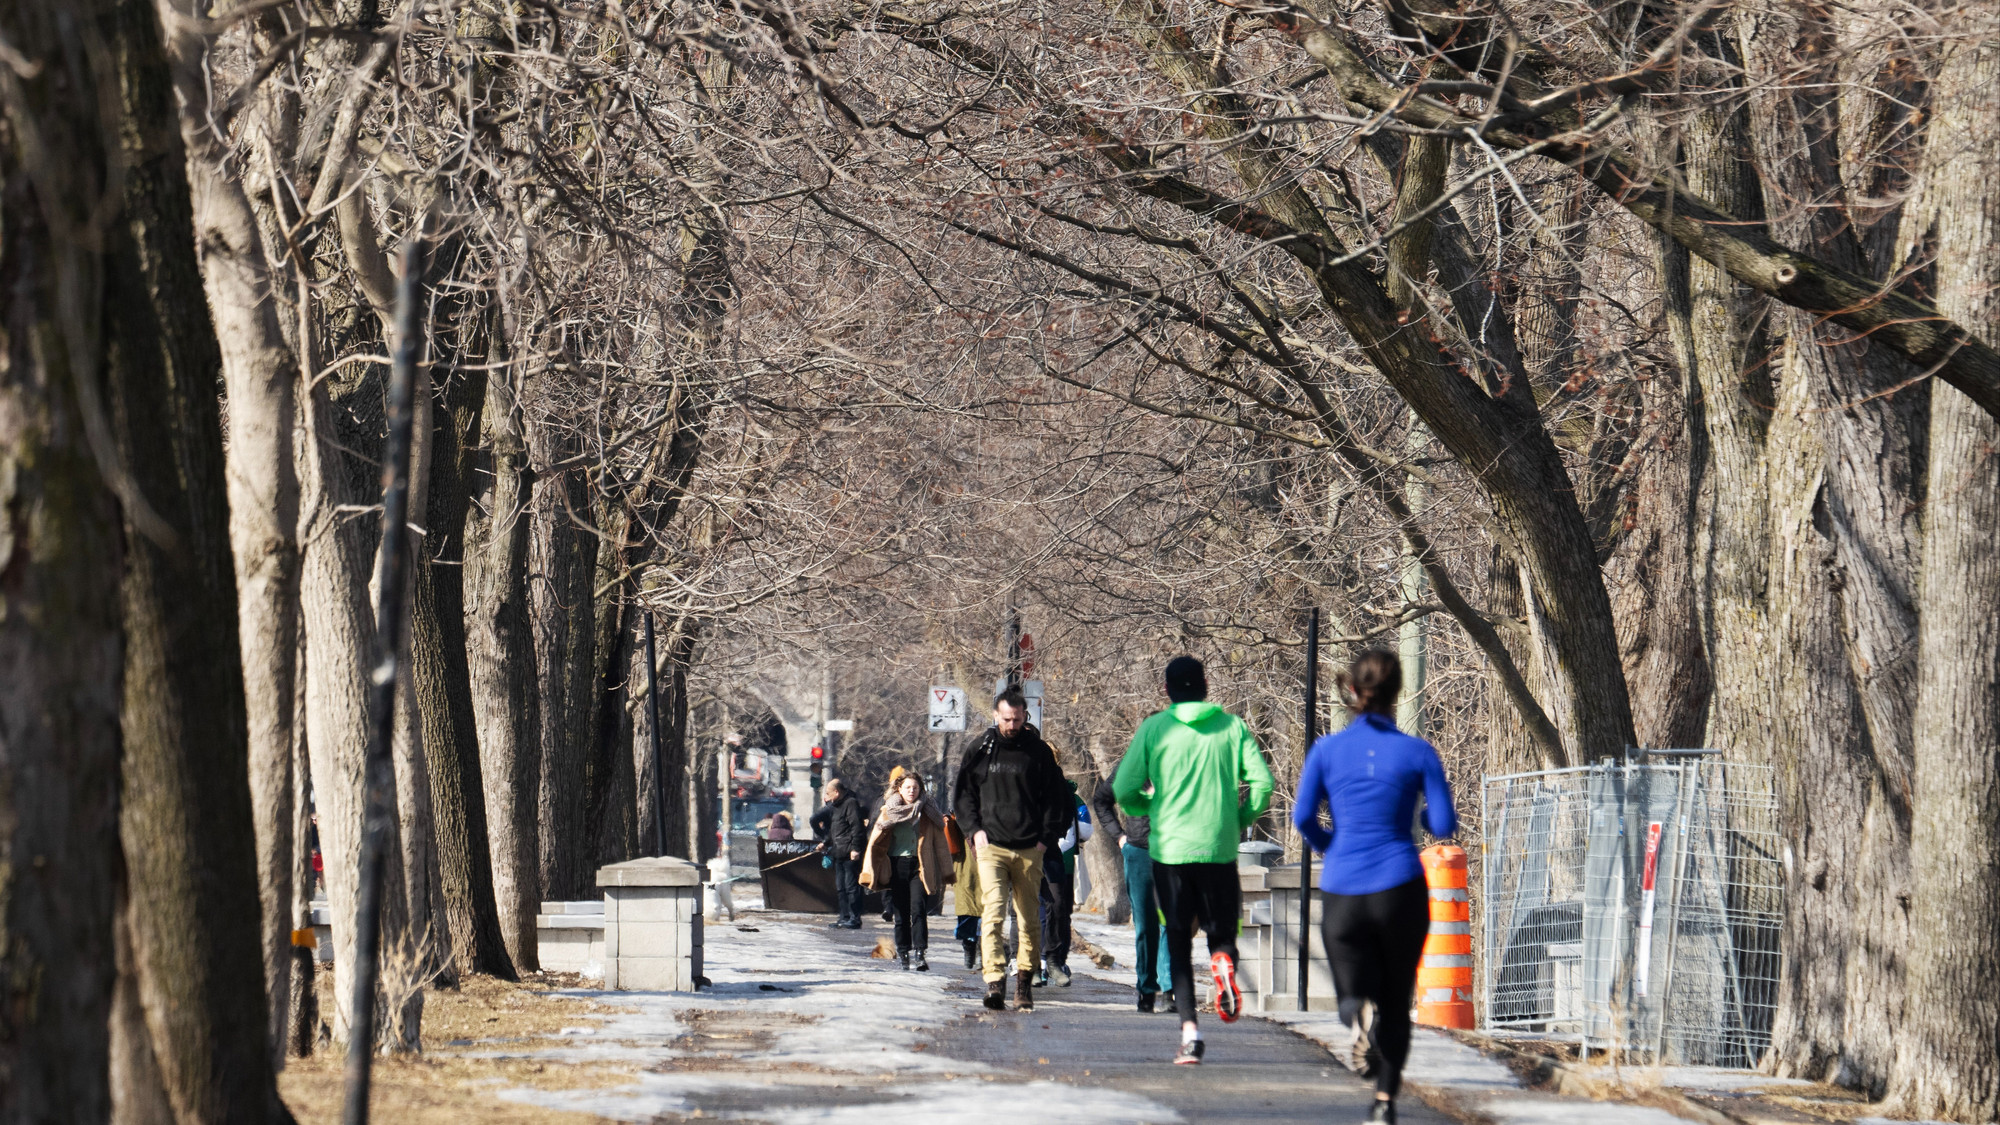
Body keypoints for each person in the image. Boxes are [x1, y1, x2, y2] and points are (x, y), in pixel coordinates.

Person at [1293, 650, 1457, 1124]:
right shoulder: (1418, 751)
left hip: (1344, 890)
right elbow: (1443, 824)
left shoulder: (1326, 750)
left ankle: (1354, 1007)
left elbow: (1302, 817)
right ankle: (1384, 1104)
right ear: (1397, 692)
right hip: (1399, 887)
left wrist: (1333, 847)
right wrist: (1424, 815)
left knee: (1354, 992)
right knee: (1397, 1002)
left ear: (1353, 693)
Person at [1113, 655, 1273, 1065]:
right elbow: (1262, 783)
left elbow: (1124, 788)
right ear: (1205, 685)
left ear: (1167, 690)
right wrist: (1240, 817)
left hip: (1169, 852)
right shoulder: (1231, 727)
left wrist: (1151, 805)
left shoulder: (1154, 728)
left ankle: (1190, 1035)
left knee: (1179, 940)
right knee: (1223, 933)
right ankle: (1222, 961)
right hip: (1219, 849)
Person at [953, 687, 1071, 1012]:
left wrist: (1046, 837)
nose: (1012, 724)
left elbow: (1057, 799)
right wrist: (973, 830)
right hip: (991, 845)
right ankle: (994, 981)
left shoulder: (1038, 753)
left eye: (1018, 719)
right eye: (1006, 718)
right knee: (992, 913)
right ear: (995, 715)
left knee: (1028, 918)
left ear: (1025, 716)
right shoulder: (981, 749)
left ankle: (1023, 983)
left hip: (1029, 848)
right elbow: (963, 794)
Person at [1090, 778, 1174, 1012]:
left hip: (1174, 851)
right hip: (1139, 851)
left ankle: (1169, 990)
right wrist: (1119, 836)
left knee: (1170, 920)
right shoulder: (1131, 767)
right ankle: (1147, 989)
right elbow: (1101, 800)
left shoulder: (1179, 759)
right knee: (1146, 924)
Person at [861, 771, 955, 970]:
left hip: (920, 866)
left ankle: (920, 954)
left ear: (921, 789)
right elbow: (874, 842)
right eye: (907, 787)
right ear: (899, 789)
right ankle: (903, 952)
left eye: (915, 787)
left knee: (919, 910)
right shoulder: (889, 811)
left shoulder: (928, 811)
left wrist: (946, 869)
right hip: (896, 866)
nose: (911, 791)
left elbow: (940, 842)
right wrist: (870, 871)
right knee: (901, 913)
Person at [1038, 779, 1091, 987]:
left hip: (1034, 859)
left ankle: (1039, 963)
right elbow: (1085, 831)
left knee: (1038, 910)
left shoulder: (1031, 789)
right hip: (1064, 864)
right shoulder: (1074, 799)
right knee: (1062, 913)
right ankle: (1058, 961)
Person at [810, 779, 866, 928]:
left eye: (828, 793)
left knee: (851, 886)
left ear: (837, 792)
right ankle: (844, 916)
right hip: (837, 851)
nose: (826, 797)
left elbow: (856, 827)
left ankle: (855, 918)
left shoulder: (850, 803)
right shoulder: (834, 807)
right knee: (840, 887)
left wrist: (855, 848)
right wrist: (826, 842)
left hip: (849, 851)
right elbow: (835, 830)